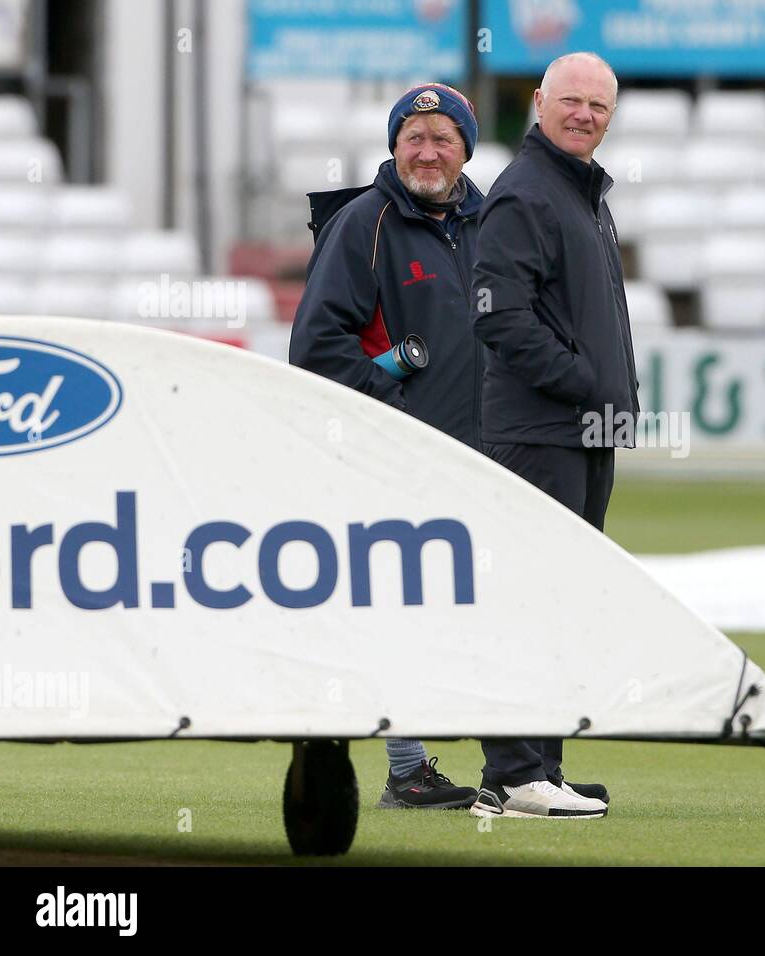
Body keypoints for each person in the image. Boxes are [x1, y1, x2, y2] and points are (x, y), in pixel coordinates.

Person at [289, 82, 485, 811]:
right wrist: (394, 407)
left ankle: (517, 766)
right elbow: (315, 348)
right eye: (414, 137)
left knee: (457, 611)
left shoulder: (489, 219)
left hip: (478, 458)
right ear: (394, 145)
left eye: (442, 138)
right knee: (396, 613)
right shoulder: (362, 223)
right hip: (388, 457)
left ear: (465, 148)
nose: (427, 151)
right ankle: (406, 769)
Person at [466, 51, 638, 820]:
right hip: (539, 431)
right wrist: (582, 380)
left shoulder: (580, 191)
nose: (584, 115)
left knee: (565, 605)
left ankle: (545, 766)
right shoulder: (526, 191)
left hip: (580, 431)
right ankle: (512, 773)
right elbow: (501, 316)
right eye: (571, 101)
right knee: (528, 603)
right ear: (539, 102)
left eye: (598, 106)